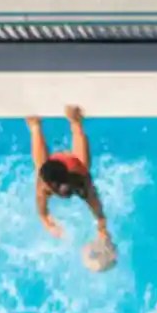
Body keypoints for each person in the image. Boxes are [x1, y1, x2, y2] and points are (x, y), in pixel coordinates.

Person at [26, 105, 111, 245]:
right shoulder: (44, 185)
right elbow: (42, 210)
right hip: (56, 170)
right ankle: (36, 126)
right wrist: (47, 222)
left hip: (71, 166)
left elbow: (97, 206)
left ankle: (73, 123)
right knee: (41, 168)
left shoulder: (80, 177)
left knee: (83, 165)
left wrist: (102, 227)